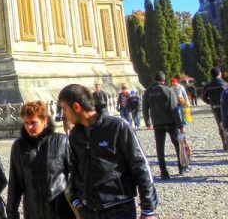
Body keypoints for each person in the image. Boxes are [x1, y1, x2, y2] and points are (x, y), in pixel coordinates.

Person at [58, 84, 157, 219]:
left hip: (118, 208)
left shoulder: (117, 127)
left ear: (76, 107)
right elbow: (74, 168)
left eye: (64, 108)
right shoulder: (75, 134)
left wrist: (148, 208)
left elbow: (140, 165)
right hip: (88, 210)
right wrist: (75, 198)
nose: (64, 114)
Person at [6, 101, 75, 219]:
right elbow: (15, 183)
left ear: (45, 121)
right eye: (26, 123)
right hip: (33, 212)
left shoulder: (61, 142)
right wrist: (12, 213)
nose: (29, 127)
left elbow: (74, 176)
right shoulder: (19, 147)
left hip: (61, 212)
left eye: (33, 122)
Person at [143, 71, 185, 179]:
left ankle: (164, 172)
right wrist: (180, 125)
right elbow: (173, 109)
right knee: (177, 144)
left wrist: (148, 122)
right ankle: (181, 166)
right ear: (163, 79)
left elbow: (144, 108)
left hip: (157, 123)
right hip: (170, 122)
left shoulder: (148, 92)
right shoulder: (168, 90)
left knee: (160, 148)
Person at [202, 67, 228, 157]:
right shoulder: (224, 84)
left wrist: (210, 102)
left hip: (215, 107)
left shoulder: (208, 85)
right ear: (219, 73)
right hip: (225, 107)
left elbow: (203, 97)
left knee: (220, 126)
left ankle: (224, 143)